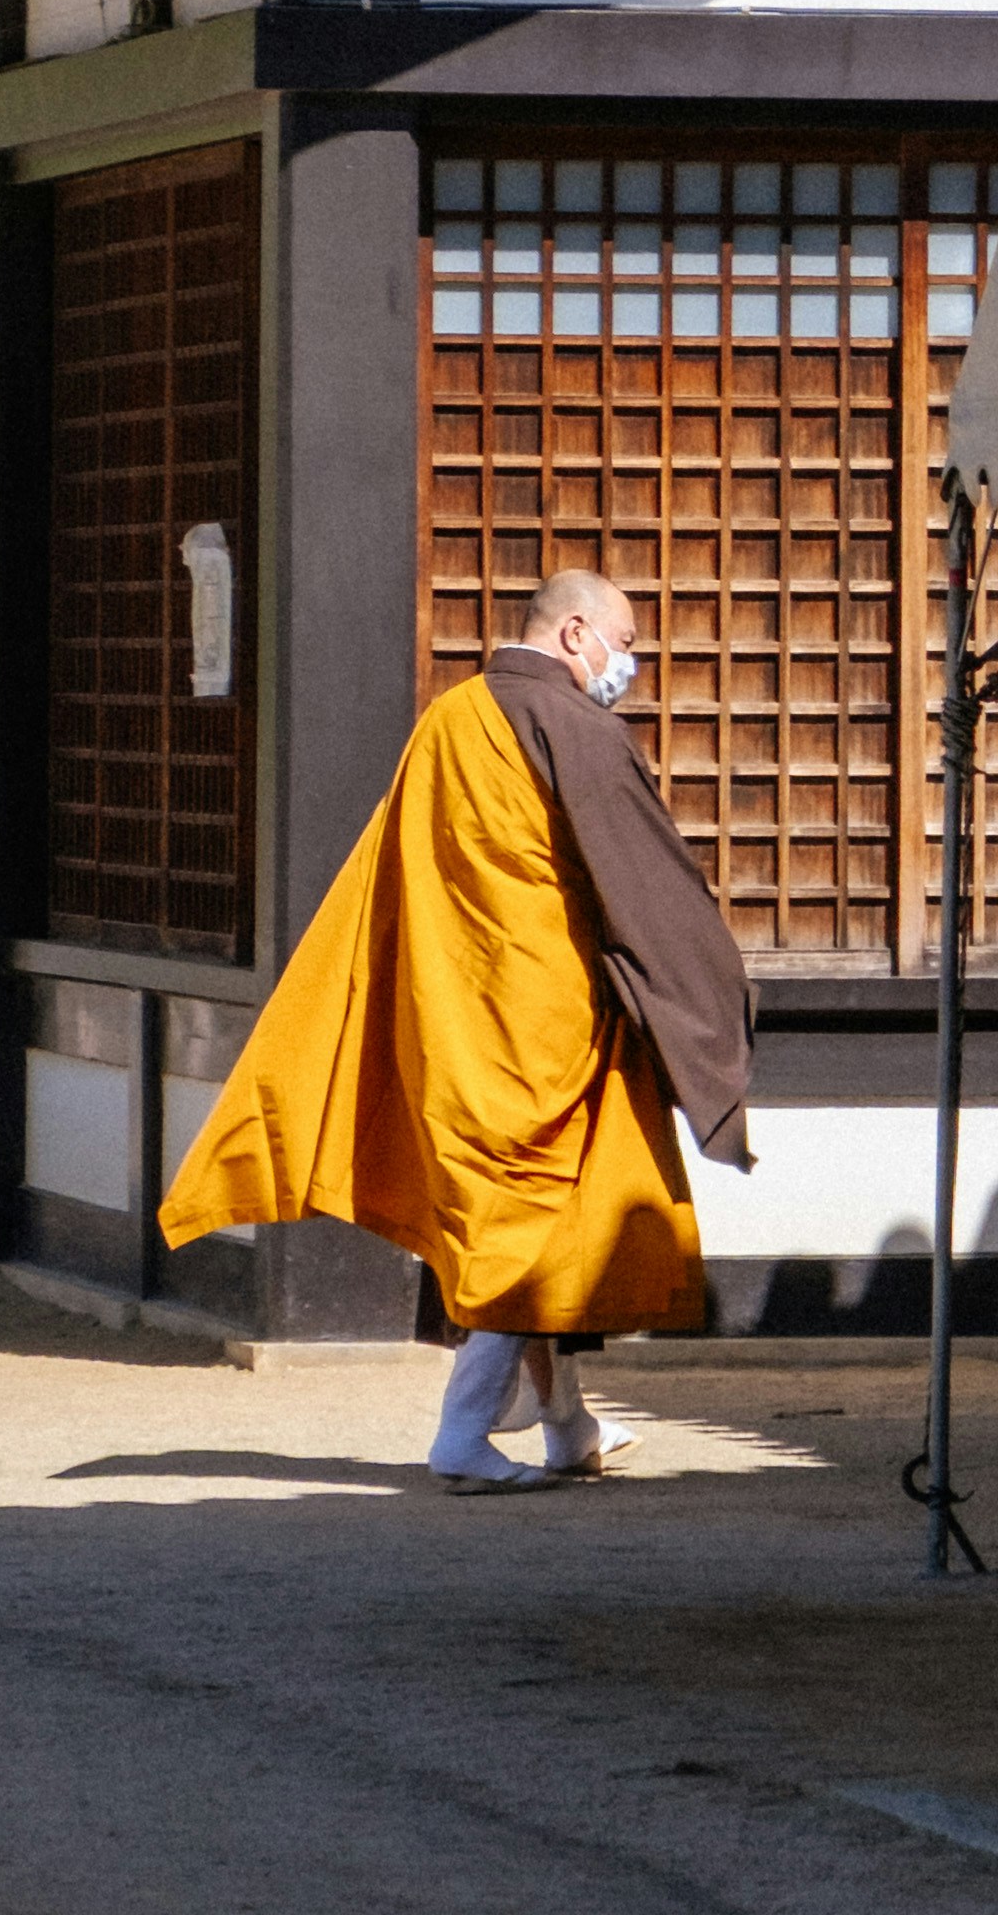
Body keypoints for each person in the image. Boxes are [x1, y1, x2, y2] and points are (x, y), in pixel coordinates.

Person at [157, 567, 753, 1490]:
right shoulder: (571, 727)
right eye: (624, 642)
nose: (628, 663)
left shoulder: (450, 717)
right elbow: (645, 879)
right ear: (573, 634)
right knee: (528, 1230)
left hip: (457, 1015)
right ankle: (463, 1432)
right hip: (543, 1029)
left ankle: (568, 1425)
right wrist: (709, 995)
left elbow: (388, 877)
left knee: (552, 1236)